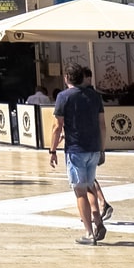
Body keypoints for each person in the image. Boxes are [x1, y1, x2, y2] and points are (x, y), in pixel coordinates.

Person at [48, 63, 108, 244]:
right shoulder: (94, 96)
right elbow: (102, 125)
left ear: (66, 77)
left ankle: (89, 233)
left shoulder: (63, 97)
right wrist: (102, 148)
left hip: (76, 149)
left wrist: (52, 150)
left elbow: (57, 126)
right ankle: (98, 221)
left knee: (80, 191)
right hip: (94, 148)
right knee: (90, 186)